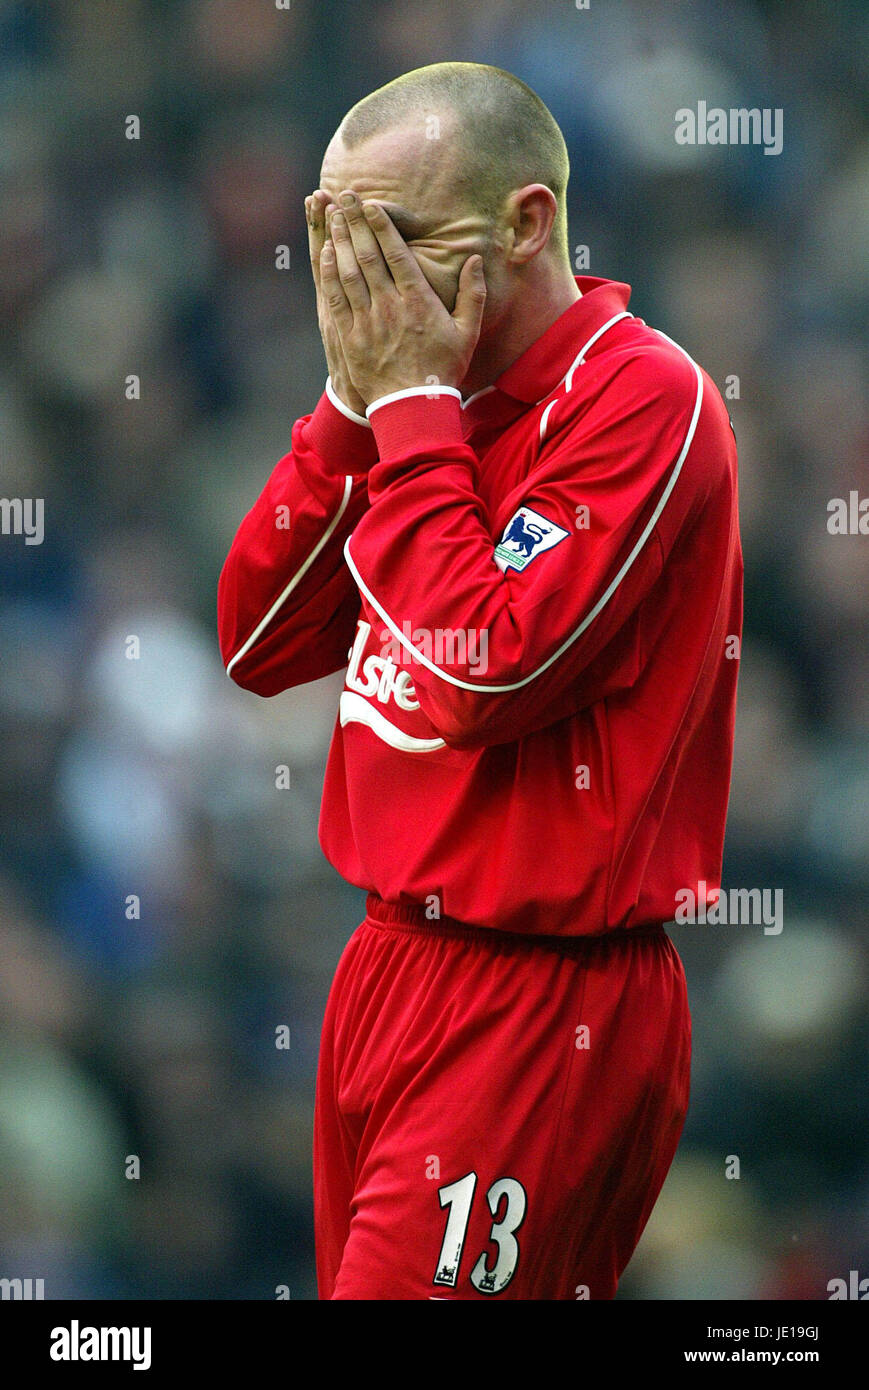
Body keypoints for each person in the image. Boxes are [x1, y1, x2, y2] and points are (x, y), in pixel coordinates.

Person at [217, 61, 743, 1300]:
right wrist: (357, 409)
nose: (366, 285)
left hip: (543, 998)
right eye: (341, 244)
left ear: (525, 220)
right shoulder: (419, 396)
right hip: (384, 965)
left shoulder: (640, 395)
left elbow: (485, 671)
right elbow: (253, 640)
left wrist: (403, 412)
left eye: (398, 241)